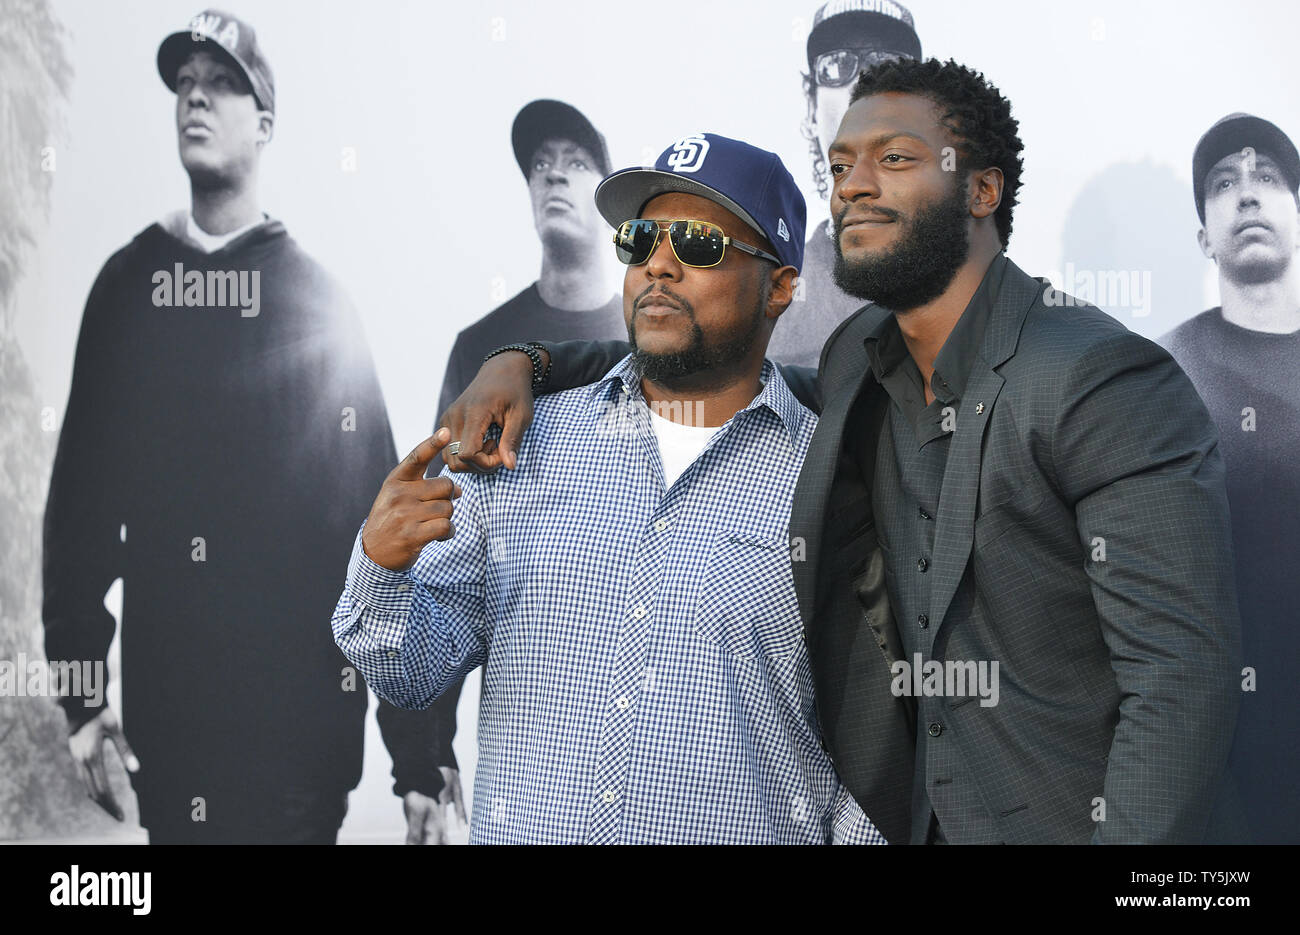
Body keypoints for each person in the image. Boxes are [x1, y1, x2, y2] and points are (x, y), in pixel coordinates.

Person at [439, 59, 1243, 844]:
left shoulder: (1103, 378)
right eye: (840, 164)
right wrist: (528, 361)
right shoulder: (860, 357)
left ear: (981, 189)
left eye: (894, 159)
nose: (853, 185)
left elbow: (1179, 687)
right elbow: (710, 363)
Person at [333, 134, 882, 844]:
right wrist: (383, 571)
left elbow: (878, 752)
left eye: (698, 243)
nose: (658, 261)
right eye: (642, 237)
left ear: (780, 286)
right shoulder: (519, 443)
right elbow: (411, 673)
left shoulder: (836, 478)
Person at [42, 9, 455, 844]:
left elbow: (382, 539)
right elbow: (80, 514)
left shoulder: (318, 308)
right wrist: (83, 701)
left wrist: (418, 758)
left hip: (298, 761)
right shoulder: (127, 293)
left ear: (264, 122)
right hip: (173, 744)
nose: (195, 99)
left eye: (222, 85)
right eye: (185, 86)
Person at [419, 99, 628, 811]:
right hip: (526, 718)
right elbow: (440, 544)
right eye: (541, 166)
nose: (554, 178)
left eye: (576, 164)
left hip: (659, 698)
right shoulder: (481, 347)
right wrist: (425, 748)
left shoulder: (664, 340)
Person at [1161, 112, 1300, 844]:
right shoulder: (1162, 374)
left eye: (1267, 178)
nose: (1247, 196)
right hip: (1219, 782)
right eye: (1224, 184)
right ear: (1202, 236)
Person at [770, 0, 921, 367]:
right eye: (836, 65)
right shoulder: (772, 304)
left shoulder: (964, 276)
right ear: (811, 108)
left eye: (888, 66)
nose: (863, 82)